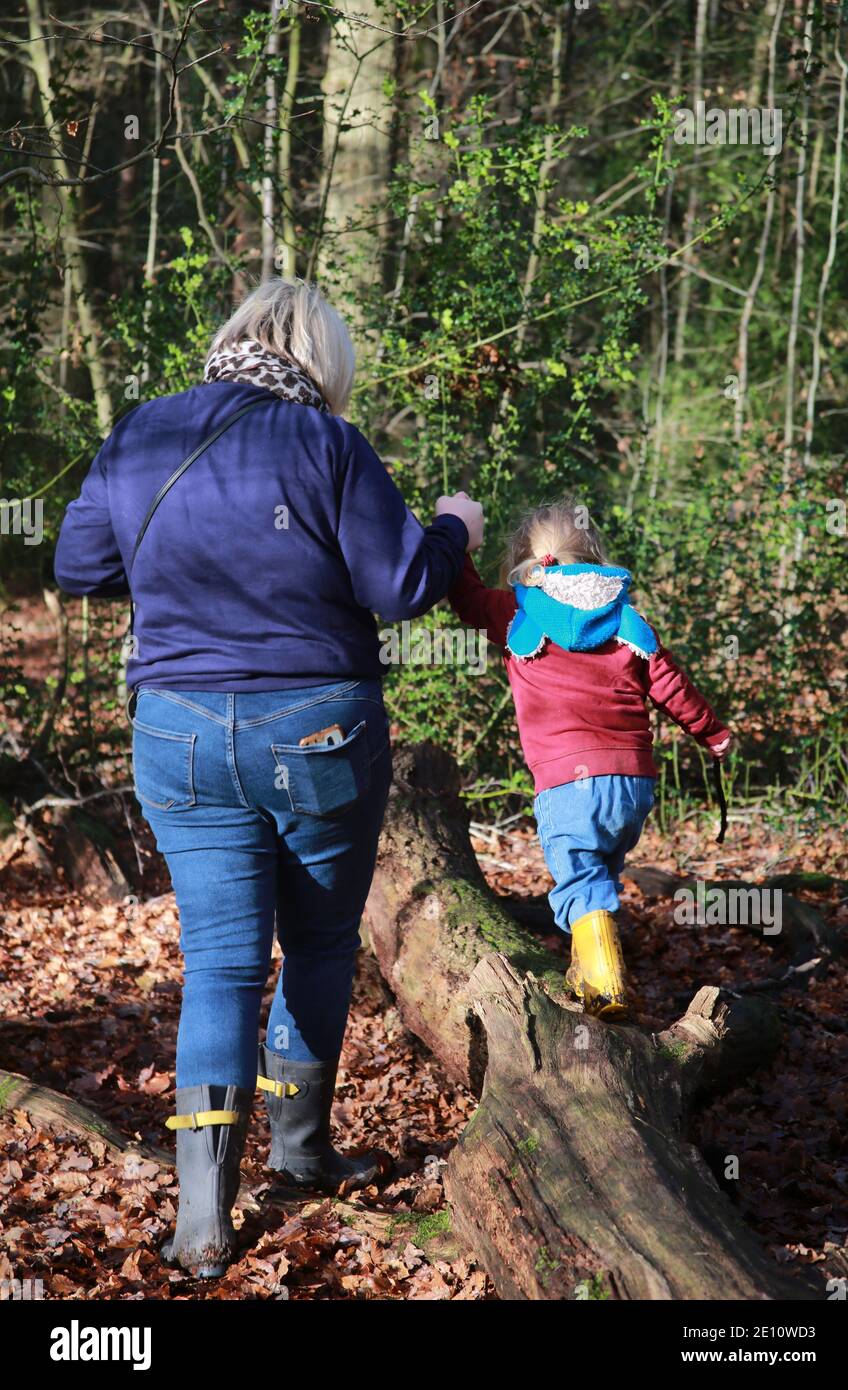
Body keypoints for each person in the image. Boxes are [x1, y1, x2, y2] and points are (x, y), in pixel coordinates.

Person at [54, 276, 484, 1277]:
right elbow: (404, 584)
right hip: (318, 727)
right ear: (318, 358)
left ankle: (201, 1218)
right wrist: (454, 522)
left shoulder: (145, 434)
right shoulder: (327, 445)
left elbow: (77, 566)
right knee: (321, 943)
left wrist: (177, 573)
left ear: (232, 338)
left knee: (219, 966)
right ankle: (299, 1152)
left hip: (181, 731)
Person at [448, 498, 730, 1020]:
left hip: (566, 781)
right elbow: (670, 685)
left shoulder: (516, 611)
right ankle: (588, 971)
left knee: (579, 879)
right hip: (632, 783)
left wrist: (458, 541)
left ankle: (604, 982)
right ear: (592, 555)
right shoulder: (626, 618)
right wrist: (712, 735)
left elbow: (463, 597)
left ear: (525, 561)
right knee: (598, 873)